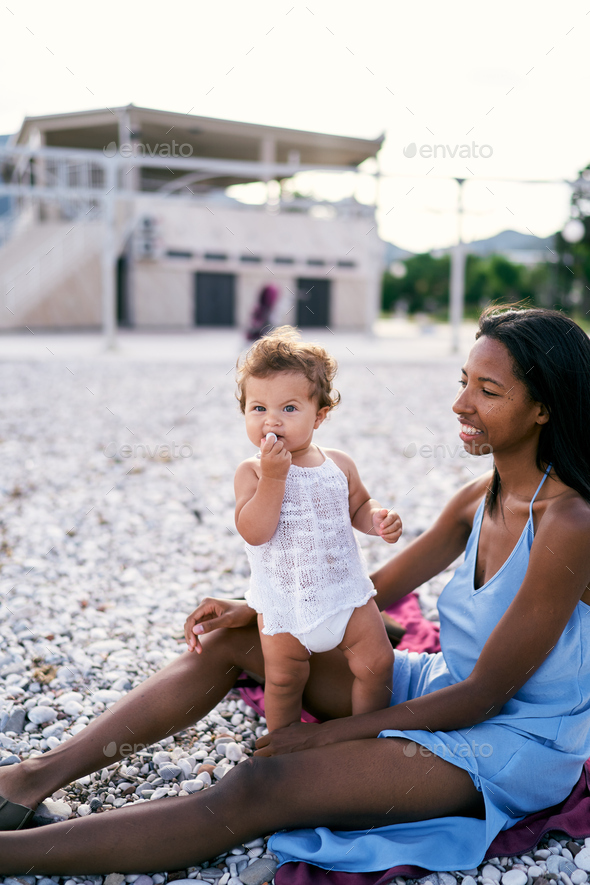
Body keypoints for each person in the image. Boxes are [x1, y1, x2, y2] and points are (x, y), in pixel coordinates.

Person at [1, 305, 590, 878]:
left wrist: (321, 739)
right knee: (236, 638)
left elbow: (486, 695)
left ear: (543, 408)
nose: (459, 403)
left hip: (510, 744)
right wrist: (258, 609)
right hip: (439, 685)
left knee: (264, 782)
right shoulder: (474, 498)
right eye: (464, 381)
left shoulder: (570, 523)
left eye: (488, 390)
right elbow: (367, 589)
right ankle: (29, 779)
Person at [233, 327, 401, 731]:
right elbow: (254, 532)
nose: (271, 419)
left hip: (345, 594)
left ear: (319, 415)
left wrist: (376, 518)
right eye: (258, 408)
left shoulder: (337, 463)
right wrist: (274, 479)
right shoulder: (253, 472)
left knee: (378, 664)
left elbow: (358, 504)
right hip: (286, 603)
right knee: (285, 680)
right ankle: (285, 747)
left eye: (288, 408)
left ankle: (363, 736)